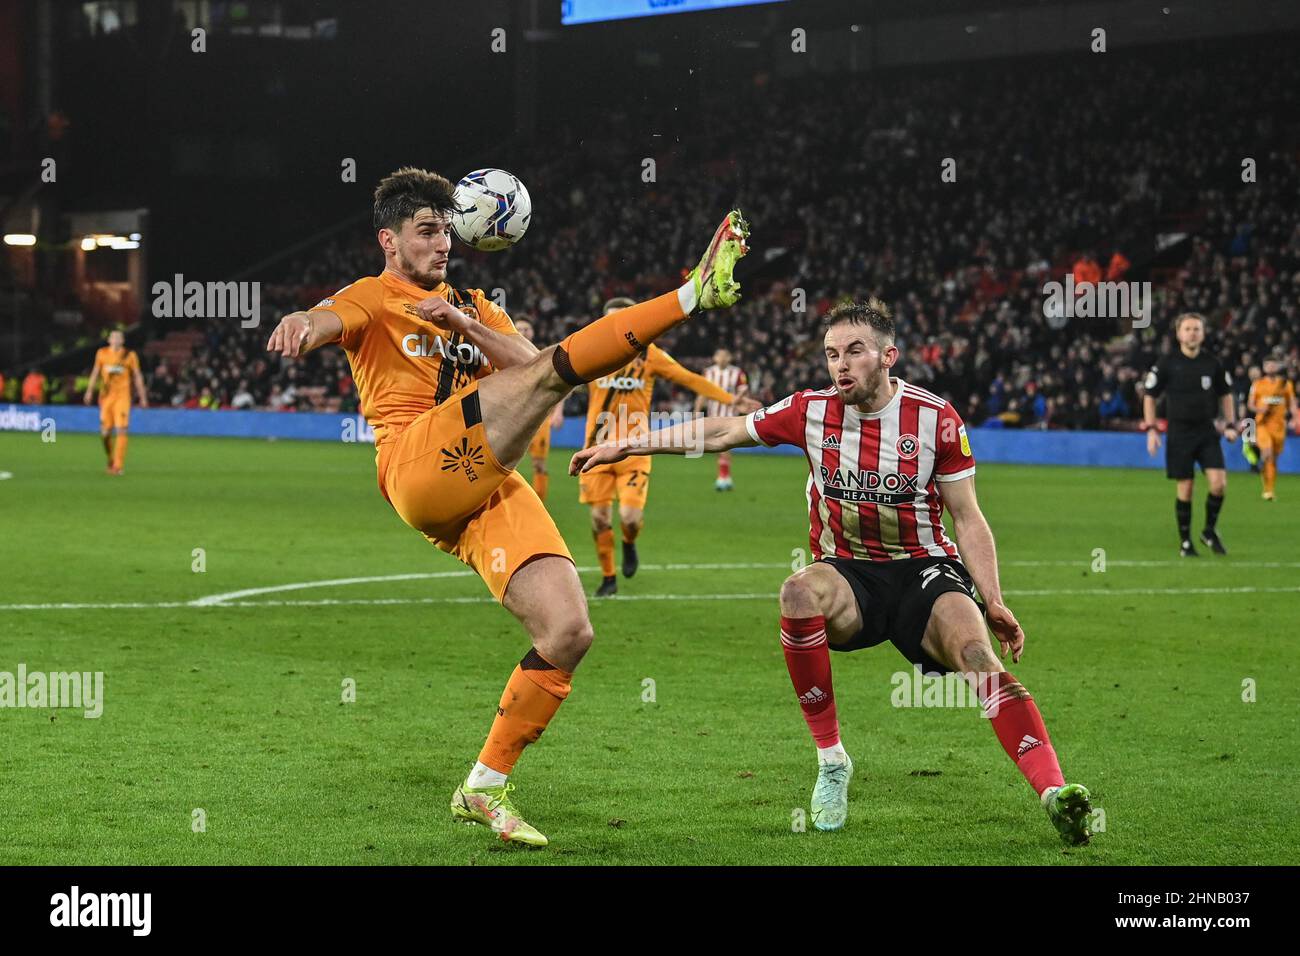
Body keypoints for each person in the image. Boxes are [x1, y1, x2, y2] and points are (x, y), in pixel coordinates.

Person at [266, 166, 749, 846]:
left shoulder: (473, 303)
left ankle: (483, 786)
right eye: (426, 232)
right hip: (416, 464)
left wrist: (464, 322)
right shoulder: (372, 297)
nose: (442, 245)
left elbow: (538, 365)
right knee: (546, 377)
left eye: (446, 232)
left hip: (486, 483)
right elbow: (328, 319)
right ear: (389, 240)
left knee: (568, 631)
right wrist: (301, 321)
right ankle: (692, 294)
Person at [572, 298, 1094, 845]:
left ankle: (1054, 794)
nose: (840, 364)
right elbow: (723, 431)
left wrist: (993, 599)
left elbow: (968, 516)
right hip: (848, 573)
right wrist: (629, 443)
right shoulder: (809, 411)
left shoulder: (936, 418)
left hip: (925, 571)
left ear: (889, 355)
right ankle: (832, 761)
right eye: (831, 354)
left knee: (977, 656)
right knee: (798, 592)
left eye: (854, 351)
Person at [579, 298, 751, 597]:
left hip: (634, 449)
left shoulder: (651, 356)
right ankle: (608, 578)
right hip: (596, 449)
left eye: (621, 320)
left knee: (629, 519)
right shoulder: (591, 353)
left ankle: (629, 542)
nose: (614, 327)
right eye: (609, 321)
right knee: (599, 518)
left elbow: (690, 378)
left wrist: (730, 400)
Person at [1143, 313, 1237, 556]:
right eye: (1187, 329)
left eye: (1197, 329)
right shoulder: (1167, 363)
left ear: (1203, 334)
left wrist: (1230, 424)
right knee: (1186, 488)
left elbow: (1225, 394)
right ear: (1178, 334)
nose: (1192, 333)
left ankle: (1209, 530)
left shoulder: (1212, 363)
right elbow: (1150, 395)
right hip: (1179, 433)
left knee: (1219, 484)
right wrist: (1152, 429)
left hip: (1206, 431)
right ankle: (1185, 542)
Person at [512, 316, 565, 503]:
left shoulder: (543, 356)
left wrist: (558, 412)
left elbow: (560, 384)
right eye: (520, 329)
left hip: (540, 418)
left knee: (539, 464)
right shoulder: (503, 352)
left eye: (527, 329)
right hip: (512, 418)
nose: (523, 332)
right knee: (503, 464)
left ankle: (539, 503)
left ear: (533, 332)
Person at [83, 330, 148, 475]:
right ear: (109, 340)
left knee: (122, 429)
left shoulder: (130, 355)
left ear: (123, 341)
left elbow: (137, 375)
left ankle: (118, 466)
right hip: (106, 398)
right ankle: (111, 458)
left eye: (119, 338)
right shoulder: (102, 353)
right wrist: (89, 390)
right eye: (114, 337)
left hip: (122, 397)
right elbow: (95, 372)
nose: (116, 340)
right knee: (105, 433)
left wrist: (143, 397)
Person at [695, 348, 749, 491]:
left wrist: (736, 401)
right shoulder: (709, 372)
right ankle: (725, 477)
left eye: (725, 355)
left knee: (725, 444)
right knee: (719, 446)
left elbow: (743, 390)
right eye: (719, 355)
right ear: (715, 357)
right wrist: (697, 411)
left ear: (730, 358)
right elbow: (702, 393)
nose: (722, 358)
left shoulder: (737, 373)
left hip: (730, 413)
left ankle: (723, 477)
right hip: (714, 413)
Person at [1246, 353, 1297, 501]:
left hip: (1279, 426)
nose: (1271, 367)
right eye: (1268, 364)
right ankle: (1257, 456)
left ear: (1277, 366)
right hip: (1262, 424)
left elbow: (1292, 403)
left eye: (1273, 364)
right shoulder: (1258, 384)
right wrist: (1260, 410)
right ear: (1264, 367)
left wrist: (1295, 417)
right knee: (1267, 452)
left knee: (1273, 460)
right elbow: (1250, 404)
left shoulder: (1285, 384)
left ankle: (1269, 490)